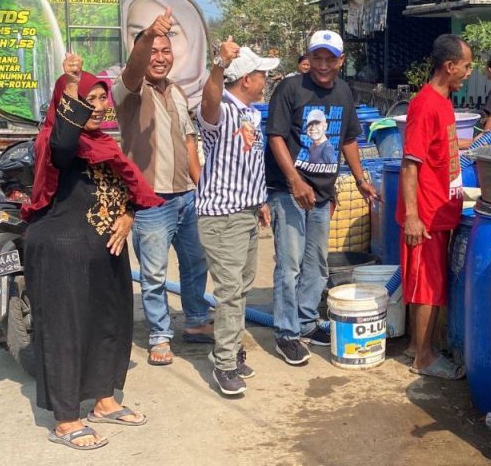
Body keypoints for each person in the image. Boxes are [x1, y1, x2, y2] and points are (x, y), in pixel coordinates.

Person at [23, 54, 165, 450]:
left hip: (105, 247)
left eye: (102, 99)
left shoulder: (104, 145)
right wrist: (71, 84)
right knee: (66, 331)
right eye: (92, 98)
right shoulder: (56, 143)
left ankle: (103, 400)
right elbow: (64, 140)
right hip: (62, 249)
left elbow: (126, 190)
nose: (100, 107)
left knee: (112, 322)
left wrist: (129, 216)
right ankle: (66, 419)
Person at [265, 29, 379, 365]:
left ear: (341, 61)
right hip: (289, 191)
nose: (324, 64)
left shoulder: (344, 91)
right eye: (318, 57)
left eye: (331, 58)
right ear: (309, 58)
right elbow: (276, 138)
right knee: (289, 265)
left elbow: (348, 140)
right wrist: (294, 181)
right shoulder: (290, 88)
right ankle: (286, 333)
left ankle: (307, 322)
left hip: (323, 193)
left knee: (316, 264)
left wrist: (360, 179)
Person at [113, 8, 211, 366]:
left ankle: (197, 321)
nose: (159, 57)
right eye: (152, 51)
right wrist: (148, 35)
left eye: (165, 51)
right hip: (152, 200)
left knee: (195, 263)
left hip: (187, 195)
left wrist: (203, 189)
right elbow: (134, 68)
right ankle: (159, 335)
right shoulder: (129, 91)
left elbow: (189, 143)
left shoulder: (178, 92)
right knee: (154, 274)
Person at [195, 37, 275, 395]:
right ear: (246, 80)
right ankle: (224, 364)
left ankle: (231, 351)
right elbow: (208, 104)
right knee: (229, 292)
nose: (265, 80)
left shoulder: (251, 113)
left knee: (241, 288)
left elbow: (249, 162)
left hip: (245, 212)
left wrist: (259, 201)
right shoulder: (222, 110)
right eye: (261, 74)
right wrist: (218, 65)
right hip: (221, 216)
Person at [399, 34, 472, 379]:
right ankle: (423, 357)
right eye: (466, 66)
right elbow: (410, 163)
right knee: (426, 283)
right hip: (425, 213)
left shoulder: (444, 103)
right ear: (449, 65)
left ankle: (419, 345)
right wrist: (412, 216)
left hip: (441, 210)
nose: (469, 73)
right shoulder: (425, 104)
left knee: (432, 281)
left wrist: (487, 140)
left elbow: (443, 144)